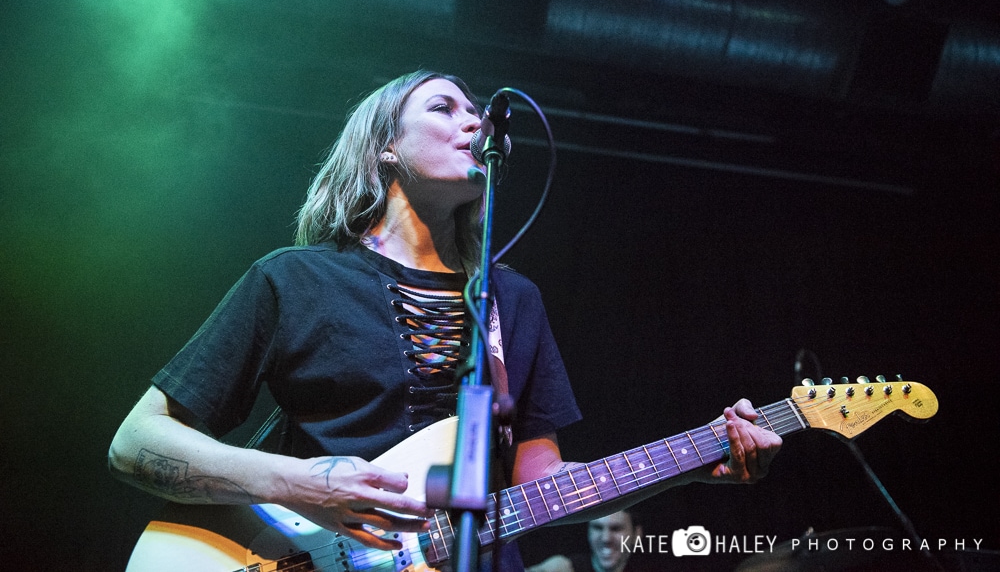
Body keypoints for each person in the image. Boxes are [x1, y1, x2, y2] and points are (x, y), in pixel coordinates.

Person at [108, 70, 781, 570]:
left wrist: (697, 459)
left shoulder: (512, 300)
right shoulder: (295, 277)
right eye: (444, 106)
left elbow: (541, 485)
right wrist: (301, 483)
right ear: (385, 150)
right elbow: (136, 440)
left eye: (479, 110)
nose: (476, 120)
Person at [527, 510, 650, 572]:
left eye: (616, 529)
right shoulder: (563, 567)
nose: (606, 538)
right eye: (597, 528)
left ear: (637, 534)